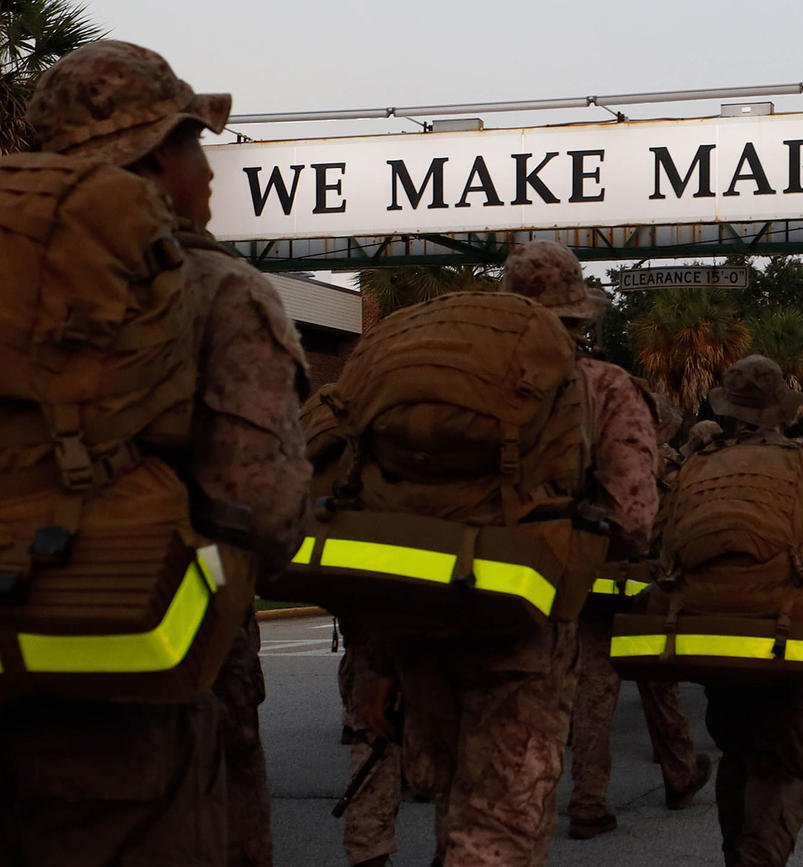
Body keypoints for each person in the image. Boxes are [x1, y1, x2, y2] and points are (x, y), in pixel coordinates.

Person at [3, 40, 311, 865]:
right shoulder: (213, 286)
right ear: (164, 155)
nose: (207, 174)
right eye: (197, 147)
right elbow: (268, 511)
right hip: (129, 686)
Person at [358, 240, 659, 866]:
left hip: (417, 619)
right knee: (500, 825)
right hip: (522, 629)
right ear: (576, 317)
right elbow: (634, 520)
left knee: (454, 806)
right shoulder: (603, 387)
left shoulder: (435, 381)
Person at [673, 355, 803, 866]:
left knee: (737, 753)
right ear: (780, 409)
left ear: (729, 408)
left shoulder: (697, 462)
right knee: (785, 763)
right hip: (783, 633)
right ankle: (760, 856)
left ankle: (738, 853)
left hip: (707, 631)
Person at [567, 391, 711, 839]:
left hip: (592, 592)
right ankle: (680, 776)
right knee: (659, 687)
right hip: (647, 597)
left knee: (594, 695)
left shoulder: (590, 463)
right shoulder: (666, 471)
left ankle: (588, 803)